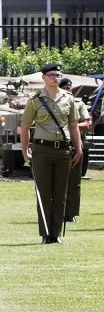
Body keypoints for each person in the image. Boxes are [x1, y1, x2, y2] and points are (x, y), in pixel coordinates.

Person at [20, 65, 83, 244]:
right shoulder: (35, 100)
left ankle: (56, 234)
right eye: (52, 75)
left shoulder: (69, 99)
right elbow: (24, 127)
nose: (56, 77)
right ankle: (46, 234)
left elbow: (73, 126)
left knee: (60, 193)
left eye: (58, 74)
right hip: (42, 151)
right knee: (44, 194)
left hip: (63, 150)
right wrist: (25, 151)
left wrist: (78, 148)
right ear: (44, 78)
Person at [59, 78, 92, 223]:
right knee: (59, 182)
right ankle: (58, 212)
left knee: (74, 182)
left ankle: (71, 213)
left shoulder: (78, 104)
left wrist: (72, 127)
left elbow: (87, 122)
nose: (67, 89)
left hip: (75, 145)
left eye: (69, 87)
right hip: (59, 145)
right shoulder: (54, 103)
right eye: (64, 87)